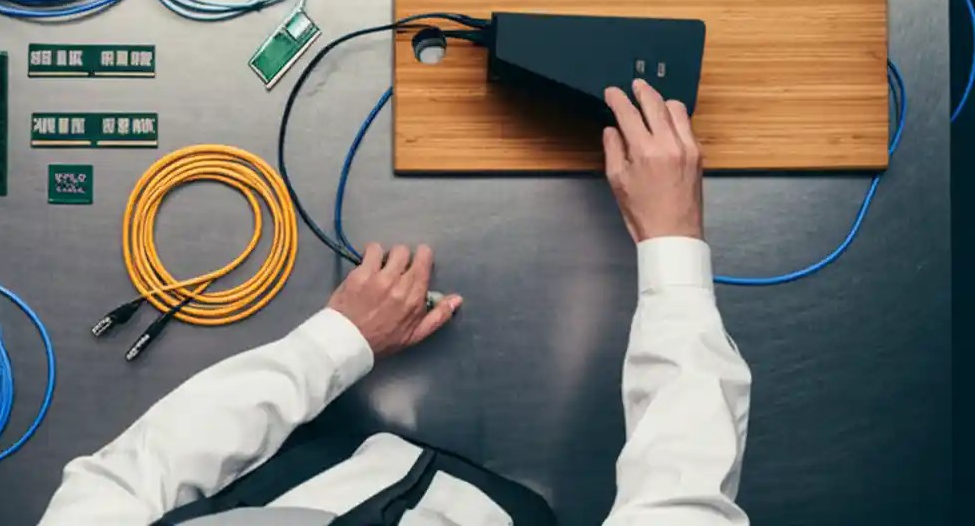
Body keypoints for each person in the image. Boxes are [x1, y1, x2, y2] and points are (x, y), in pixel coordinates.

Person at [38, 80, 752, 526]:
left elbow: (126, 483)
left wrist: (336, 343)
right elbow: (682, 500)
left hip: (317, 472)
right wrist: (673, 245)